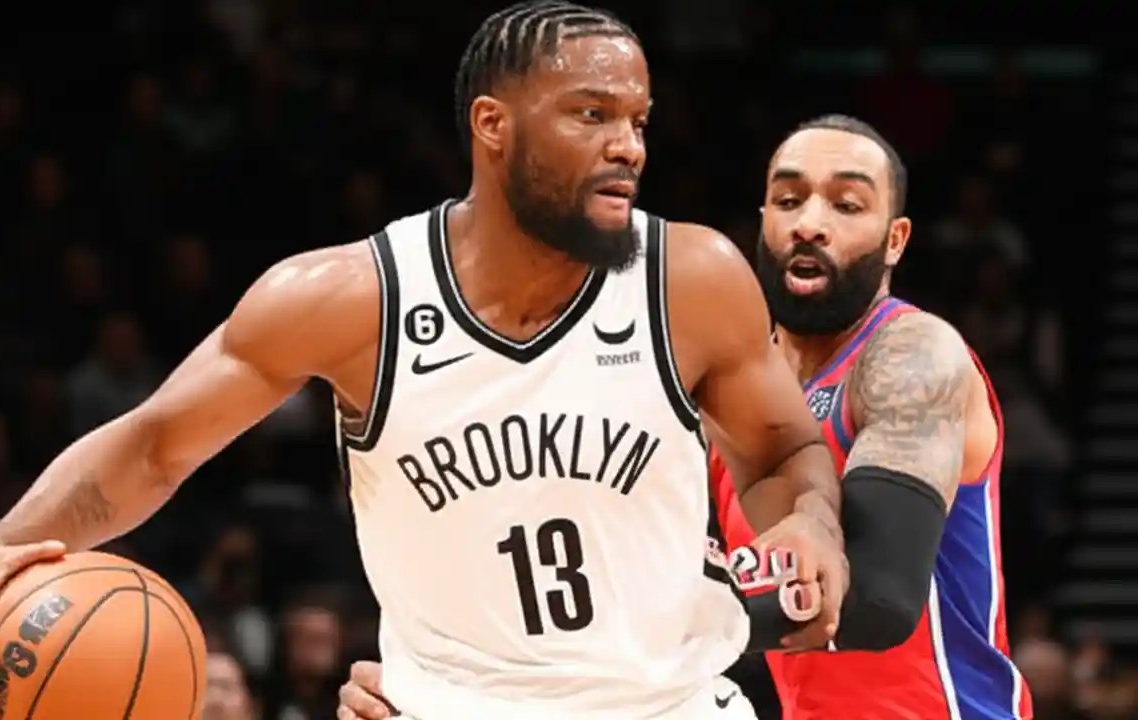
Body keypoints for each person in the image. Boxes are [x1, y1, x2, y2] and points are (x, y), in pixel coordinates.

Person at [0, 3, 849, 719]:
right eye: (592, 114)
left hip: (671, 709)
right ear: (493, 125)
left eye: (639, 120)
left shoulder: (691, 279)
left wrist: (809, 519)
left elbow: (779, 454)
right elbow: (155, 446)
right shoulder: (350, 301)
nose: (629, 145)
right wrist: (2, 544)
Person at [334, 116, 1035, 720]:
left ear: (895, 239)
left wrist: (570, 637)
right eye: (788, 199)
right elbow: (594, 557)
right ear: (762, 220)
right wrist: (433, 674)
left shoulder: (914, 354)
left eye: (847, 205)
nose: (810, 223)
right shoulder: (726, 395)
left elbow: (878, 599)